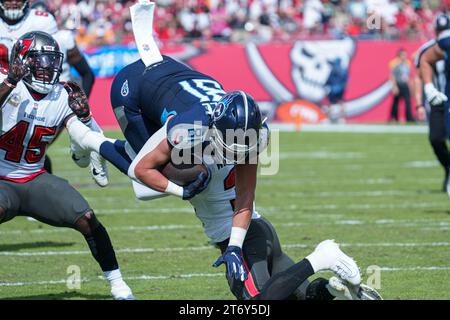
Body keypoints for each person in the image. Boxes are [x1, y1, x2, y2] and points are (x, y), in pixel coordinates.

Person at [0, 31, 133, 300]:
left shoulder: (63, 94)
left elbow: (85, 141)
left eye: (52, 62)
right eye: (41, 62)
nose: (48, 69)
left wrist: (86, 118)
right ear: (21, 62)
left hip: (35, 178)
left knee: (86, 218)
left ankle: (118, 285)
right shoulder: (7, 83)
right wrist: (10, 82)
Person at [0, 0, 107, 186]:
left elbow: (74, 67)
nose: (13, 2)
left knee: (31, 150)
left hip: (46, 94)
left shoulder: (47, 26)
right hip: (11, 90)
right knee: (24, 151)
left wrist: (77, 109)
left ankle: (87, 146)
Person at [414, 14, 450, 194]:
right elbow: (422, 67)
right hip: (439, 100)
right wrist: (421, 101)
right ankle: (448, 168)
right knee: (436, 139)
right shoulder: (435, 47)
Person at [389, 48, 414, 123]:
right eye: (403, 55)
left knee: (408, 102)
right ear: (399, 55)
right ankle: (394, 118)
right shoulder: (394, 63)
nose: (405, 56)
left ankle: (409, 118)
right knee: (395, 103)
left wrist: (410, 86)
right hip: (398, 84)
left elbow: (408, 76)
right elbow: (392, 76)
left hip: (405, 84)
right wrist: (394, 86)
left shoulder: (407, 63)